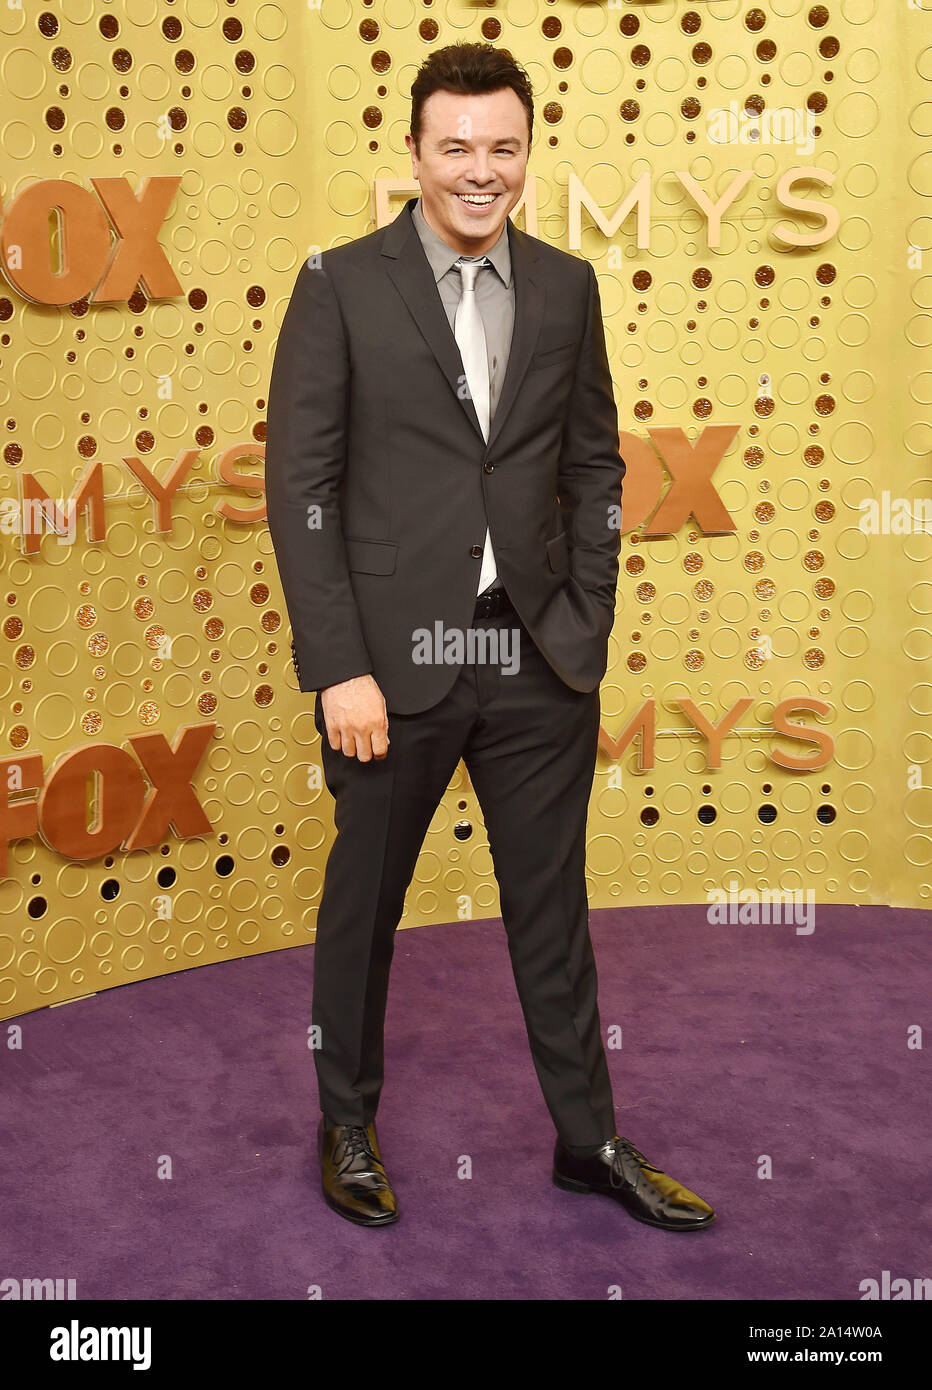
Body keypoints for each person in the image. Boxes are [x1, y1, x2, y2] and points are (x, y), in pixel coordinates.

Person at [265, 41, 715, 1233]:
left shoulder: (567, 286)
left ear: (526, 153)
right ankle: (347, 1123)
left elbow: (591, 463)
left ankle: (588, 1140)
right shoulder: (339, 283)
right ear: (413, 151)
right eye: (454, 146)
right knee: (364, 906)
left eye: (501, 148)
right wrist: (336, 667)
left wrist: (586, 618)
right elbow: (298, 484)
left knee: (552, 912)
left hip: (532, 658)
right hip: (388, 667)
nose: (480, 170)